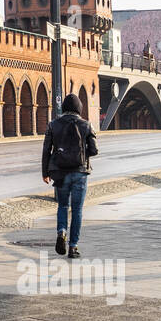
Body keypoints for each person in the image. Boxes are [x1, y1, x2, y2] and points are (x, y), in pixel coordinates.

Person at [42, 93, 98, 259]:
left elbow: (46, 150)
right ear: (79, 109)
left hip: (60, 172)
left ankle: (61, 232)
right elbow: (94, 150)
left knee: (63, 206)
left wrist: (45, 173)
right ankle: (73, 247)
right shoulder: (86, 125)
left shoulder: (53, 125)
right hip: (80, 172)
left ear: (64, 108)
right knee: (77, 210)